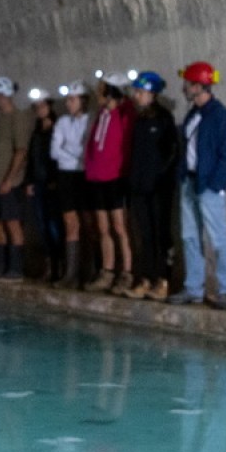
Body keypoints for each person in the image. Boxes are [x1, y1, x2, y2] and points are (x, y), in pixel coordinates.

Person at [168, 62, 226, 310]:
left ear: (198, 86)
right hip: (189, 181)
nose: (184, 88)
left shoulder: (222, 117)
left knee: (218, 238)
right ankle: (194, 288)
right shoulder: (193, 114)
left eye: (187, 83)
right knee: (189, 236)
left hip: (208, 185)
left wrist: (216, 184)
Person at [123, 72, 179, 299]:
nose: (136, 96)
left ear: (152, 94)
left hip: (158, 189)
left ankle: (163, 280)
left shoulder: (164, 118)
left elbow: (171, 154)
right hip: (139, 188)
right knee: (145, 235)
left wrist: (159, 179)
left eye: (140, 92)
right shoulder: (141, 120)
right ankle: (145, 278)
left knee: (160, 234)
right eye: (136, 92)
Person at [82, 72, 133, 293]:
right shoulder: (102, 113)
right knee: (102, 227)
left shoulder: (124, 113)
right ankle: (107, 270)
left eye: (105, 92)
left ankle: (127, 272)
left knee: (119, 226)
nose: (100, 95)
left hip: (115, 176)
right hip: (96, 177)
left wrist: (119, 94)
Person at [0, 77, 34, 279]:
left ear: (1, 96)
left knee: (12, 223)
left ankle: (16, 268)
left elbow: (21, 150)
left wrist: (9, 180)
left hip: (9, 183)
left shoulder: (17, 118)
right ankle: (0, 265)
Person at [51, 83, 91, 287]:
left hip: (84, 176)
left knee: (88, 222)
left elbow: (87, 149)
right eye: (67, 99)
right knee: (70, 224)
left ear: (83, 100)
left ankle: (89, 272)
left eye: (72, 99)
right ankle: (71, 273)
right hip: (66, 175)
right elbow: (54, 151)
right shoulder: (62, 122)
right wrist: (76, 156)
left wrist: (72, 155)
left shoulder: (90, 121)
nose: (68, 103)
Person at [24, 90, 64, 281]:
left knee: (55, 225)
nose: (39, 110)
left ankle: (60, 265)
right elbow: (32, 158)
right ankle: (50, 265)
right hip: (39, 183)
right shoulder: (36, 132)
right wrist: (30, 181)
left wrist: (55, 180)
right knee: (43, 226)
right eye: (36, 107)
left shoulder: (57, 128)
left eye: (42, 106)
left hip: (53, 184)